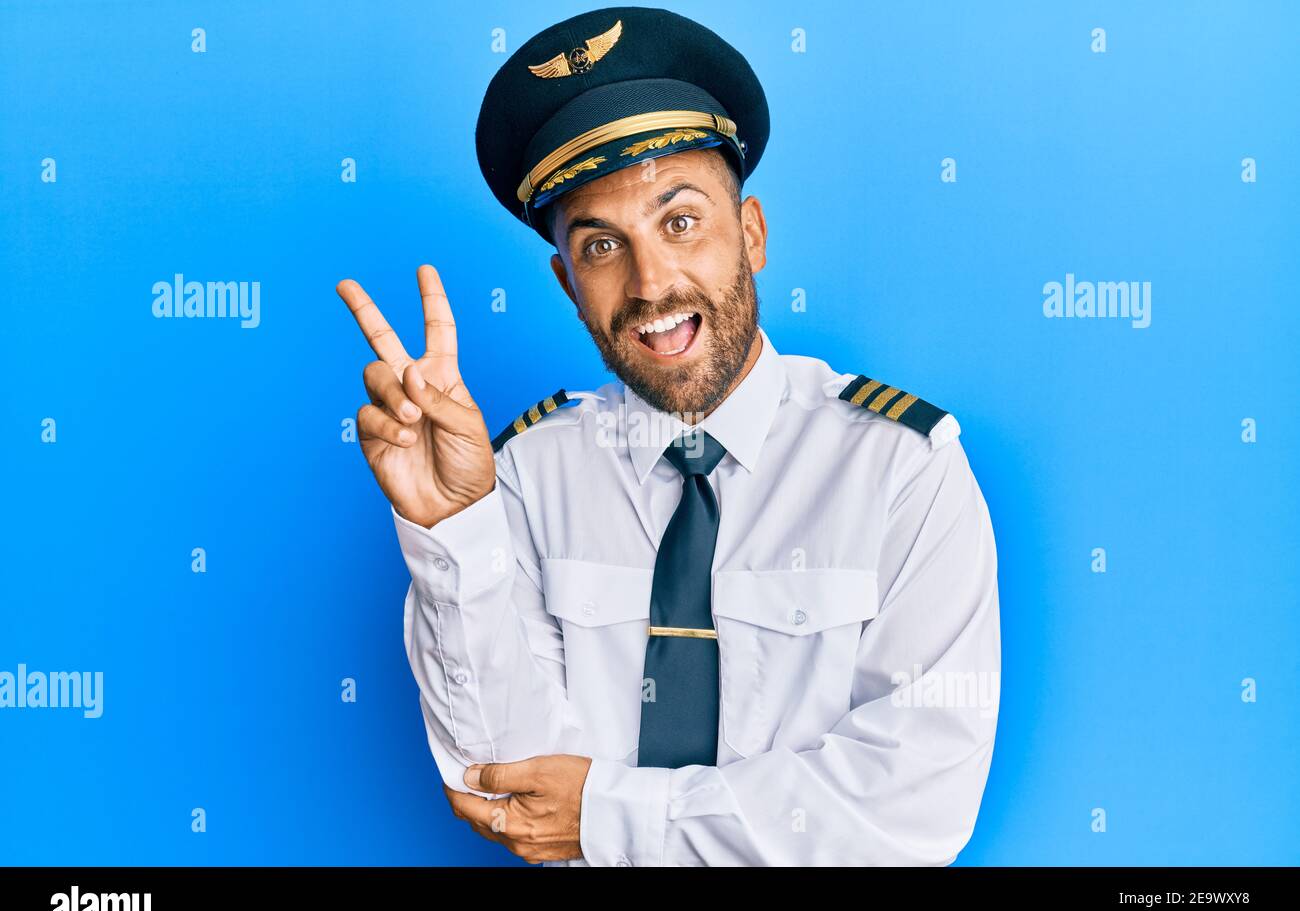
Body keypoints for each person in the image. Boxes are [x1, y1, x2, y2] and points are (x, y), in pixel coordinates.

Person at [336, 6, 1000, 866]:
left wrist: (613, 816)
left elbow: (910, 808)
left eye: (680, 222)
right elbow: (502, 787)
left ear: (751, 235)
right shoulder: (528, 475)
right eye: (603, 245)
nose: (651, 283)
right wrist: (453, 527)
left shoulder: (903, 470)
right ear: (569, 285)